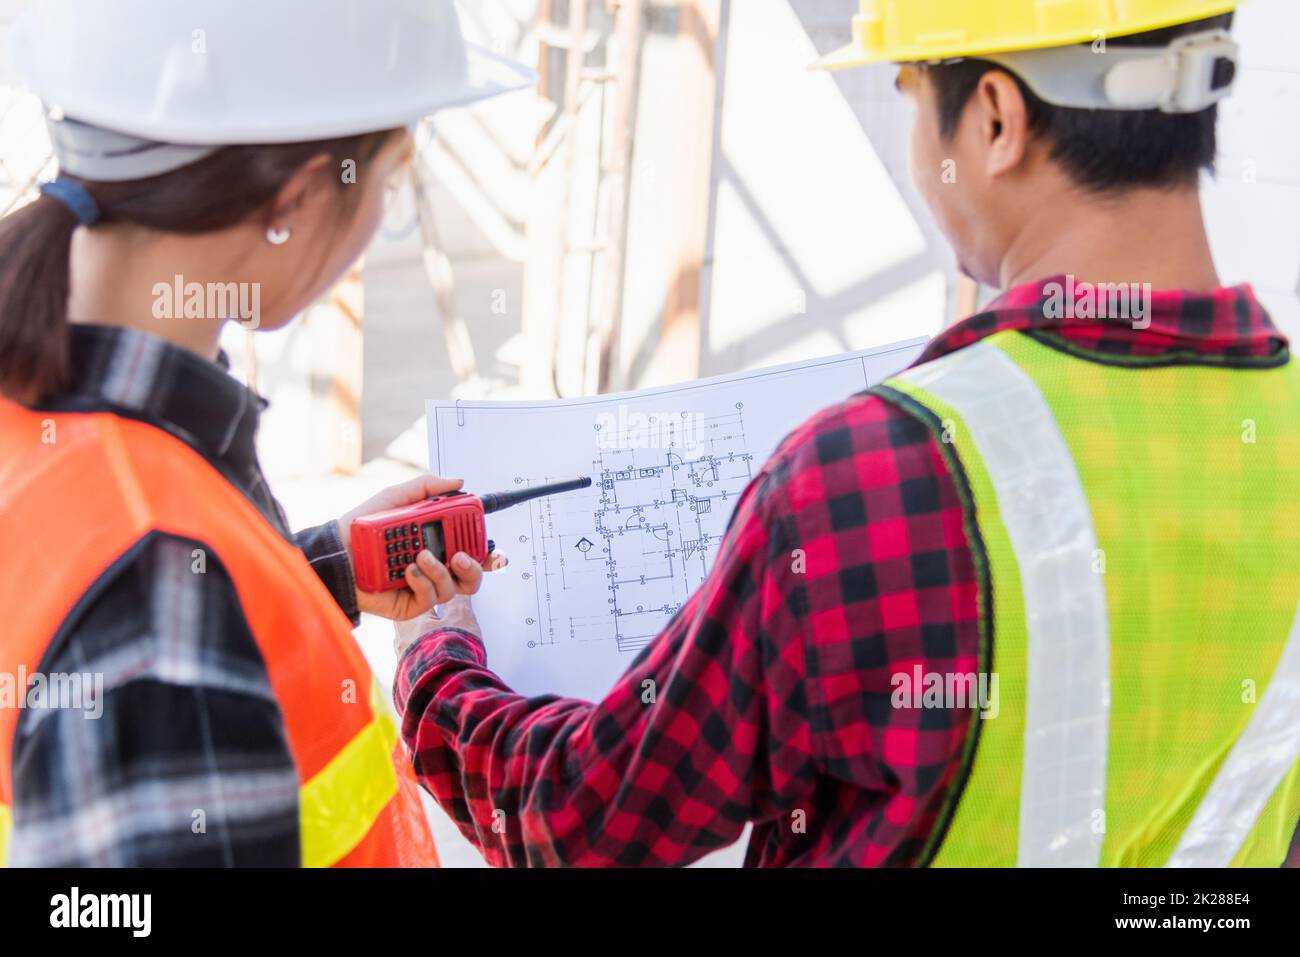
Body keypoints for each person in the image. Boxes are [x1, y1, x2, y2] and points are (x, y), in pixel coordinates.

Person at [392, 1, 1300, 867]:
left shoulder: (872, 480)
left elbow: (578, 820)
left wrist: (436, 652)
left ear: (994, 120)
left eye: (908, 98)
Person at [0, 0, 526, 867]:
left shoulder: (67, 412)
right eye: (386, 190)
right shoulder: (158, 590)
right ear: (295, 198)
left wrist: (317, 569)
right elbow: (154, 638)